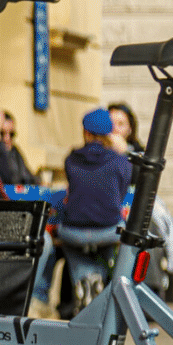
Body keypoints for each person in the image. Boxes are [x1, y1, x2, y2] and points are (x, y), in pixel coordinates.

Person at [58, 108, 133, 302]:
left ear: (86, 132)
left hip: (74, 231)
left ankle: (83, 279)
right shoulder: (121, 162)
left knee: (64, 236)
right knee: (112, 242)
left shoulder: (71, 160)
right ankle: (99, 280)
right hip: (108, 230)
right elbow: (121, 194)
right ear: (109, 133)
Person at [0, 111, 37, 186]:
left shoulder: (14, 151)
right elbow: (7, 177)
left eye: (11, 134)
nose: (7, 138)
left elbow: (28, 176)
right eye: (2, 133)